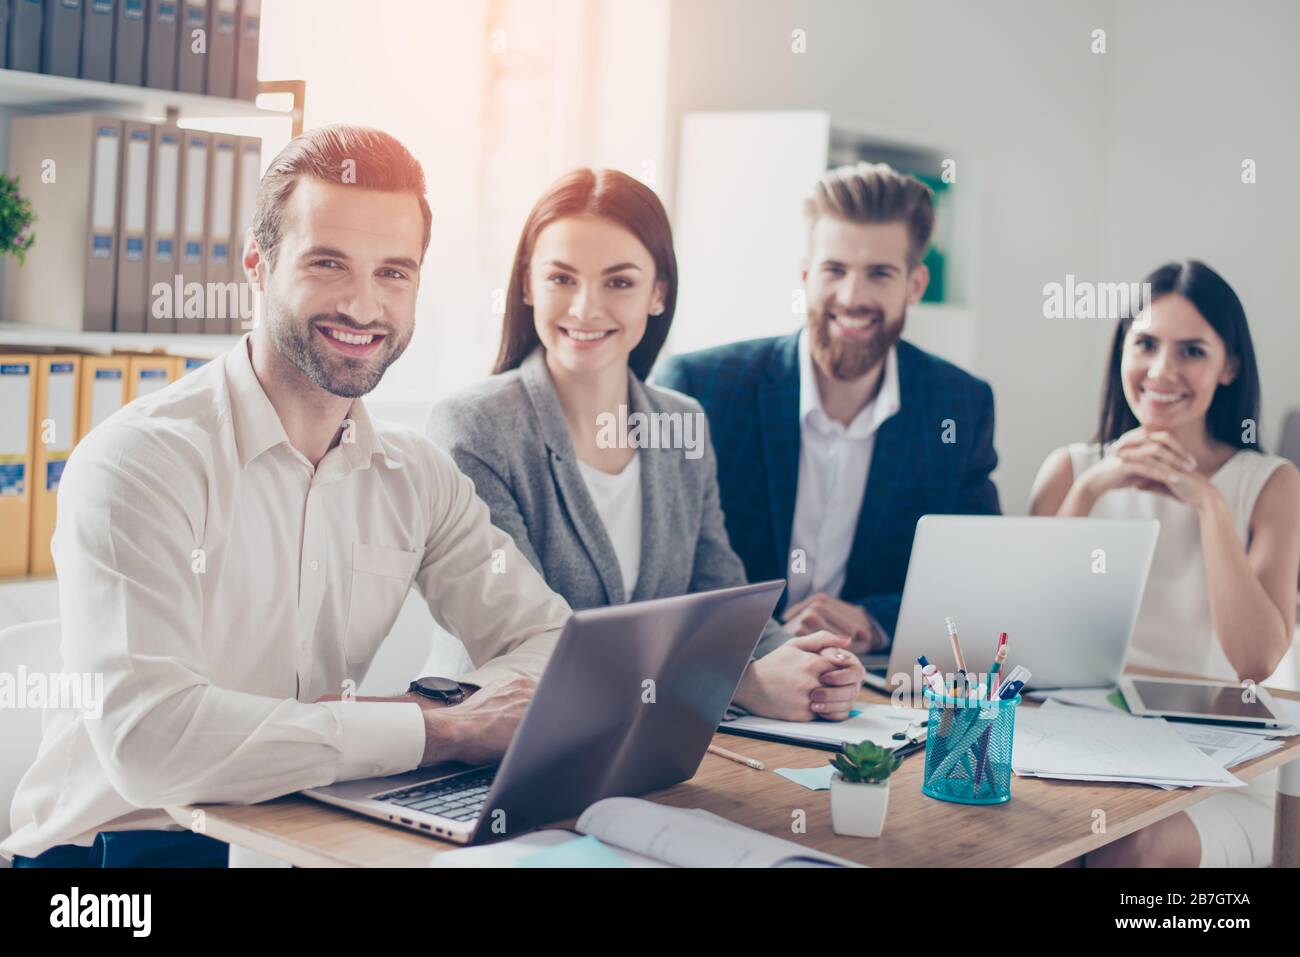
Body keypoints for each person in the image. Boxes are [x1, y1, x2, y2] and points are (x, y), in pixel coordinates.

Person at [2, 126, 572, 868]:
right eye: (328, 263)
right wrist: (439, 727)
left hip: (300, 836)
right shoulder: (137, 464)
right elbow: (155, 742)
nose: (364, 306)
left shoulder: (416, 474)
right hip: (119, 858)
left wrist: (434, 717)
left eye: (394, 273)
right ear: (257, 264)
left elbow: (552, 644)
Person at [428, 169, 865, 722]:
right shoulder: (475, 428)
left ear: (658, 292)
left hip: (648, 742)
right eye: (561, 279)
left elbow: (719, 599)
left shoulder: (681, 422)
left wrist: (807, 663)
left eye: (619, 282)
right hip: (500, 750)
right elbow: (531, 643)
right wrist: (737, 683)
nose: (586, 308)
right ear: (526, 286)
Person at [655, 162, 1000, 657]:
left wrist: (872, 621)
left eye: (879, 274)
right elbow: (662, 575)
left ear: (915, 285)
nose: (852, 297)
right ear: (805, 275)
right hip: (727, 675)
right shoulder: (701, 390)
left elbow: (977, 582)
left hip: (870, 688)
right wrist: (767, 641)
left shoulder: (959, 406)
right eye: (834, 270)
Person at [1030, 259, 1300, 867]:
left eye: (1191, 351)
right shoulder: (1071, 472)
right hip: (1084, 750)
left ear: (1229, 366)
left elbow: (1255, 661)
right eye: (1146, 343)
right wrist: (1090, 491)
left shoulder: (1271, 484)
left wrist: (1207, 504)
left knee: (1131, 844)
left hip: (1217, 772)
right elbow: (1021, 642)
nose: (1161, 371)